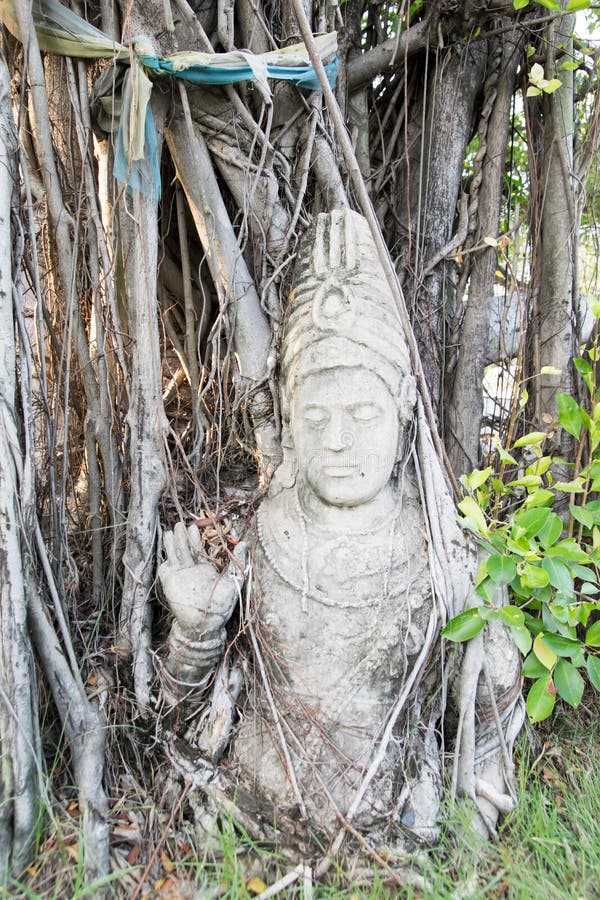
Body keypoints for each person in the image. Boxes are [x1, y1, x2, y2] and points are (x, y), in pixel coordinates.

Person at [158, 209, 524, 842]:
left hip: (397, 816)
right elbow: (187, 711)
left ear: (405, 405)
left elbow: (480, 728)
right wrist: (195, 634)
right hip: (253, 809)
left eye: (362, 412)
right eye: (318, 416)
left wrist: (493, 666)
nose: (339, 441)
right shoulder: (264, 540)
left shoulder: (436, 553)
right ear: (289, 420)